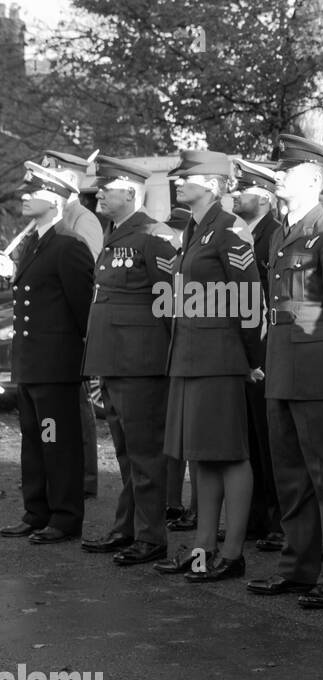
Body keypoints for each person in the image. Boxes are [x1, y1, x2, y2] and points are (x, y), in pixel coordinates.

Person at [243, 134, 323, 612]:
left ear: (313, 179)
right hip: (284, 371)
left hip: (322, 373)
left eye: (286, 171)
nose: (277, 176)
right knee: (291, 475)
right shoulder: (280, 234)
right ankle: (299, 566)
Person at [152, 150, 263, 582]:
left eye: (189, 178)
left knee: (230, 455)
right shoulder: (195, 230)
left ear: (214, 185)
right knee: (201, 455)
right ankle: (202, 546)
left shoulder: (230, 230)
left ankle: (232, 552)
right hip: (192, 357)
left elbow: (249, 297)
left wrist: (253, 360)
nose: (180, 183)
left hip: (219, 358)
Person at [79, 157, 177, 565]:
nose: (100, 192)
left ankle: (151, 537)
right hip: (116, 361)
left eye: (109, 187)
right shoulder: (115, 234)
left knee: (144, 453)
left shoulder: (154, 235)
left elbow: (171, 301)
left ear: (131, 193)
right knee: (124, 452)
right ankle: (127, 527)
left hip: (141, 364)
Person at [0, 163, 93, 544]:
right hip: (33, 365)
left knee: (57, 443)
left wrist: (80, 363)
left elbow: (82, 310)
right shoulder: (37, 243)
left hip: (55, 367)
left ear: (53, 201)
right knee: (33, 442)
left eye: (33, 191)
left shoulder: (68, 246)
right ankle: (36, 511)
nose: (24, 195)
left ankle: (64, 516)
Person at [41, 149, 103, 500]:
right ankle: (59, 474)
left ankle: (85, 477)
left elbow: (87, 278)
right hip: (52, 333)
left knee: (79, 406)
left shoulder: (84, 220)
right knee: (55, 412)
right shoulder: (55, 220)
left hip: (72, 329)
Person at [232, 156, 285, 554]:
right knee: (247, 438)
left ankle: (277, 521)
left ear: (265, 198)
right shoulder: (241, 235)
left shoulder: (273, 235)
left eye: (244, 189)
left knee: (270, 443)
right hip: (242, 350)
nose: (236, 194)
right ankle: (252, 518)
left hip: (266, 351)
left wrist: (261, 356)